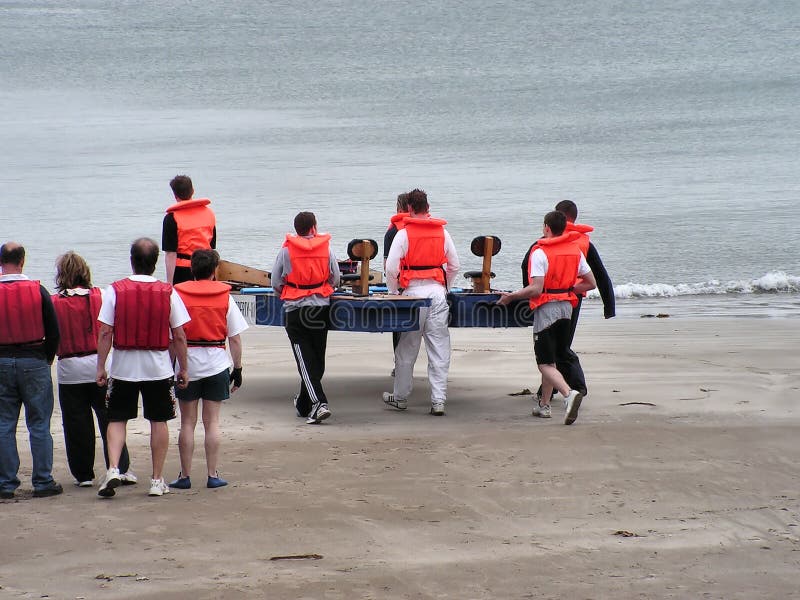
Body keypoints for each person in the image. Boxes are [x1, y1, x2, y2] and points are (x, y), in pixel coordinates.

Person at [95, 238, 190, 498]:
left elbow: (105, 331)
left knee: (117, 418)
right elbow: (179, 335)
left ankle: (114, 467)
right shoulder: (168, 292)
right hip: (157, 367)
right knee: (158, 420)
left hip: (123, 365)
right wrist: (183, 368)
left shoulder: (114, 291)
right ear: (155, 262)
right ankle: (157, 479)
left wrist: (101, 365)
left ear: (131, 260)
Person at [500, 211, 596, 424]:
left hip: (547, 310)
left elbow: (536, 289)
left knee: (544, 363)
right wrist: (568, 289)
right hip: (567, 309)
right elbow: (591, 283)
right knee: (554, 358)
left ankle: (568, 394)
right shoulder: (575, 250)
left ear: (546, 228)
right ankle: (544, 405)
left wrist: (512, 296)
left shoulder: (540, 253)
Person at [52, 251, 136, 488]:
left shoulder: (54, 302)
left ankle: (83, 474)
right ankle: (118, 466)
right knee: (110, 418)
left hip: (69, 368)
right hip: (100, 365)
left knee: (76, 423)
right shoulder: (103, 295)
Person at [168, 249, 248, 490]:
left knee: (188, 423)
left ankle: (185, 475)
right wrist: (238, 368)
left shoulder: (177, 295)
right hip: (216, 364)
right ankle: (212, 474)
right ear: (214, 271)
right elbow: (234, 338)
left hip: (187, 365)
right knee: (212, 422)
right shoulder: (225, 296)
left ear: (192, 269)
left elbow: (173, 337)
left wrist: (170, 368)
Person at [521, 199, 615, 399]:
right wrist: (609, 307)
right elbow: (600, 275)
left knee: (556, 348)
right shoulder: (583, 242)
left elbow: (525, 266)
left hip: (546, 300)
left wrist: (527, 298)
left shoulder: (543, 242)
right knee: (561, 345)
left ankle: (576, 387)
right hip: (573, 298)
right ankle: (552, 390)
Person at [383, 189, 460, 415]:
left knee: (407, 348)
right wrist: (446, 287)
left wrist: (394, 291)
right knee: (439, 347)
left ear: (408, 209)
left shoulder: (403, 234)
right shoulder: (443, 233)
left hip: (412, 295)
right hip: (437, 293)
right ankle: (438, 400)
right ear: (428, 208)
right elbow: (454, 266)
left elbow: (390, 268)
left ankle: (400, 397)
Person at [0, 242, 63, 499]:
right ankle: (42, 481)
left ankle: (5, 484)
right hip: (34, 360)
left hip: (2, 361)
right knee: (39, 423)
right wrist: (46, 359)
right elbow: (54, 332)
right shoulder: (38, 291)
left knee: (4, 423)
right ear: (22, 261)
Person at [271, 212, 341, 424]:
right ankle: (307, 404)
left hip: (296, 310)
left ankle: (317, 404)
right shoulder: (326, 249)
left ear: (297, 229)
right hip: (319, 309)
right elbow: (336, 278)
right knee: (316, 360)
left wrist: (285, 293)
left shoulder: (286, 251)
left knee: (306, 361)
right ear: (314, 228)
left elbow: (275, 281)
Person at [162, 174, 217, 285]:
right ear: (192, 191)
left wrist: (169, 284)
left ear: (175, 195)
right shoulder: (209, 213)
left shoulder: (171, 218)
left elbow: (170, 254)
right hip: (206, 269)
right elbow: (211, 247)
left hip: (182, 271)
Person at [383, 192, 411, 375]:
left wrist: (391, 288)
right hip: (424, 283)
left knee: (399, 326)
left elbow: (388, 265)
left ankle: (399, 365)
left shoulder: (393, 231)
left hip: (401, 285)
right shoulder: (422, 228)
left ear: (398, 208)